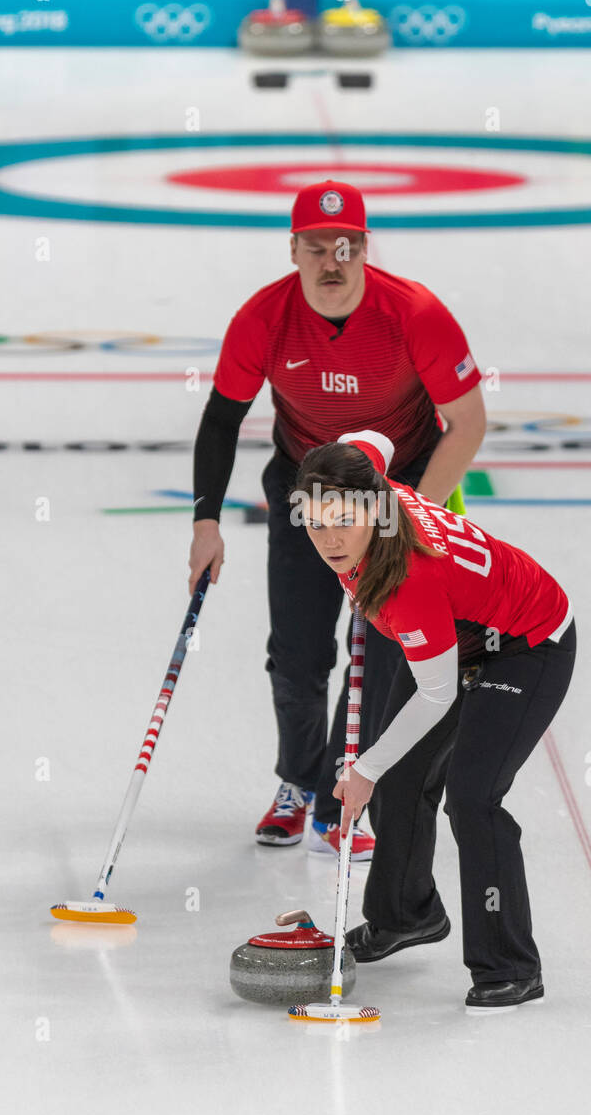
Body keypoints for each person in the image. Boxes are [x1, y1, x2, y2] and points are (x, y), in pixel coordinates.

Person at [188, 180, 485, 859]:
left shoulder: (414, 314)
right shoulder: (262, 319)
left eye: (345, 246)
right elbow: (222, 418)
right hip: (304, 490)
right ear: (294, 250)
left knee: (382, 653)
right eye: (316, 247)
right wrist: (207, 520)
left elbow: (467, 422)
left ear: (363, 249)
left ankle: (338, 798)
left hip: (393, 492)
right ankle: (296, 782)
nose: (332, 261)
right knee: (296, 655)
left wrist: (414, 512)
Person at [293, 429, 576, 1009]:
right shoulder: (360, 475)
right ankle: (405, 915)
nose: (330, 539)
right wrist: (377, 766)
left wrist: (364, 767)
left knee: (473, 797)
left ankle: (510, 964)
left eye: (343, 521)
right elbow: (369, 438)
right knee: (400, 771)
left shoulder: (408, 580)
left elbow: (437, 693)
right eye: (316, 523)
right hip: (459, 632)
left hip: (527, 643)